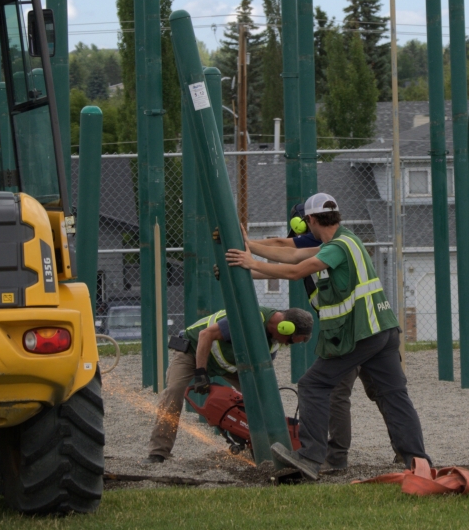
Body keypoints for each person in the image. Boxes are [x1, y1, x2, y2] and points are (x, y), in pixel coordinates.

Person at [226, 192, 430, 480]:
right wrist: (249, 249)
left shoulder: (336, 247)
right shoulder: (344, 241)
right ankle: (417, 461)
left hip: (358, 333)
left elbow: (296, 270)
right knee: (394, 395)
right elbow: (292, 253)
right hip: (383, 330)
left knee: (313, 385)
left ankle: (310, 457)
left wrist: (252, 263)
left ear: (309, 220)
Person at [244, 202, 385, 472]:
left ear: (310, 221)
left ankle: (329, 458)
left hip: (352, 330)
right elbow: (284, 256)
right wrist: (245, 266)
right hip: (361, 328)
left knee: (335, 392)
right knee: (383, 392)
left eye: (302, 226)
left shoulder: (324, 244)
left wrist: (248, 249)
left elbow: (286, 253)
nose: (296, 235)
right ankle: (409, 454)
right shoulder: (331, 241)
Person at [146, 306, 314, 464]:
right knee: (174, 392)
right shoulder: (249, 317)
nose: (286, 345)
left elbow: (260, 376)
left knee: (261, 398)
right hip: (192, 350)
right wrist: (200, 373)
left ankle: (263, 447)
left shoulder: (272, 342)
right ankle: (158, 452)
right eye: (291, 341)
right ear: (285, 327)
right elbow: (205, 335)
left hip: (228, 365)